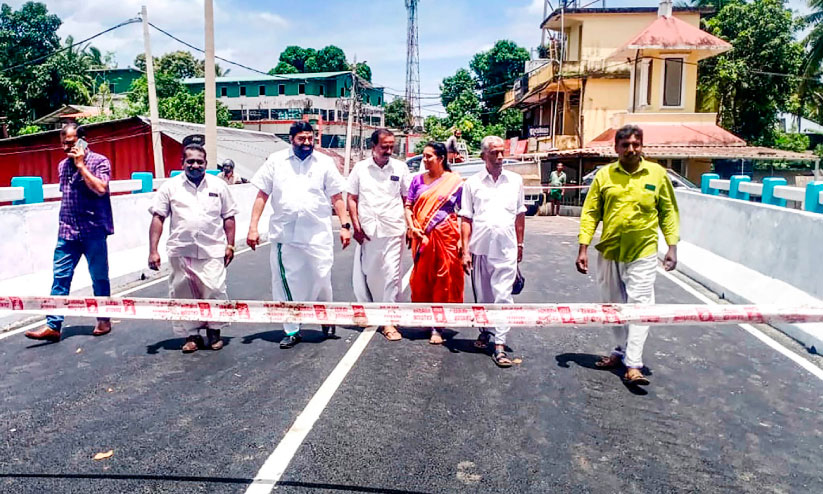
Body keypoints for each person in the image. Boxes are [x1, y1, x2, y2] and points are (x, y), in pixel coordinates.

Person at [575, 124, 679, 386]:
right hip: (610, 250)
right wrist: (583, 247)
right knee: (613, 305)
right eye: (626, 145)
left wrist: (672, 246)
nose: (631, 149)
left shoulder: (657, 175)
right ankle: (620, 351)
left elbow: (668, 212)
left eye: (636, 144)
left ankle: (633, 364)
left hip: (642, 250)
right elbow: (591, 212)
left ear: (642, 146)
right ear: (616, 148)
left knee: (641, 305)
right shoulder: (605, 176)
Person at [246, 121, 352, 349]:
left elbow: (337, 196)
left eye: (310, 139)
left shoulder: (324, 162)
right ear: (291, 139)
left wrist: (345, 225)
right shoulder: (276, 161)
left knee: (322, 277)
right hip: (286, 236)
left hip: (317, 234)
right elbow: (262, 194)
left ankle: (325, 318)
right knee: (286, 284)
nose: (306, 143)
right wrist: (253, 227)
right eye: (301, 139)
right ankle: (292, 329)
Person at [25, 123, 114, 342]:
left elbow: (101, 189)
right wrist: (73, 163)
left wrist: (82, 166)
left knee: (99, 277)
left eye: (71, 143)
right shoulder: (62, 166)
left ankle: (104, 319)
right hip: (67, 231)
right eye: (63, 143)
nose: (66, 147)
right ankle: (53, 325)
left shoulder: (99, 161)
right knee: (60, 278)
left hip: (93, 230)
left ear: (83, 141)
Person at [148, 143, 238, 353]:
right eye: (191, 161)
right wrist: (153, 250)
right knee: (183, 293)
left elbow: (229, 217)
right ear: (182, 163)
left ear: (206, 164)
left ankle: (214, 332)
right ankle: (192, 335)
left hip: (212, 249)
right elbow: (158, 217)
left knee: (215, 290)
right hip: (181, 250)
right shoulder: (170, 187)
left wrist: (230, 244)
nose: (195, 165)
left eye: (200, 162)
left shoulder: (218, 186)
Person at [460, 136, 526, 367]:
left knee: (503, 296)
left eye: (501, 152)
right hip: (480, 248)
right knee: (483, 294)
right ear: (483, 156)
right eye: (494, 153)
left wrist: (520, 244)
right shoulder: (472, 183)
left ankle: (500, 345)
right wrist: (465, 250)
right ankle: (485, 330)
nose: (499, 157)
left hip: (506, 248)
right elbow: (466, 217)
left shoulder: (515, 181)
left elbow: (520, 214)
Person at [348, 128, 410, 341]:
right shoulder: (360, 169)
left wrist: (410, 226)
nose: (389, 150)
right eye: (384, 146)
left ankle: (389, 320)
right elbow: (352, 198)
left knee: (392, 273)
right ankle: (372, 310)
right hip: (368, 231)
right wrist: (355, 226)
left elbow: (406, 199)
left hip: (393, 229)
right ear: (373, 146)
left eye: (392, 146)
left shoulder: (400, 168)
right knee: (371, 273)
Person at [405, 141, 464, 345]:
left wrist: (463, 242)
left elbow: (464, 211)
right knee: (421, 279)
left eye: (429, 156)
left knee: (444, 279)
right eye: (423, 156)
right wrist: (411, 226)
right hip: (421, 237)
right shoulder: (416, 181)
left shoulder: (455, 181)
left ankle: (437, 326)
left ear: (440, 158)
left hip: (446, 236)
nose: (425, 160)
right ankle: (424, 318)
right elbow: (408, 206)